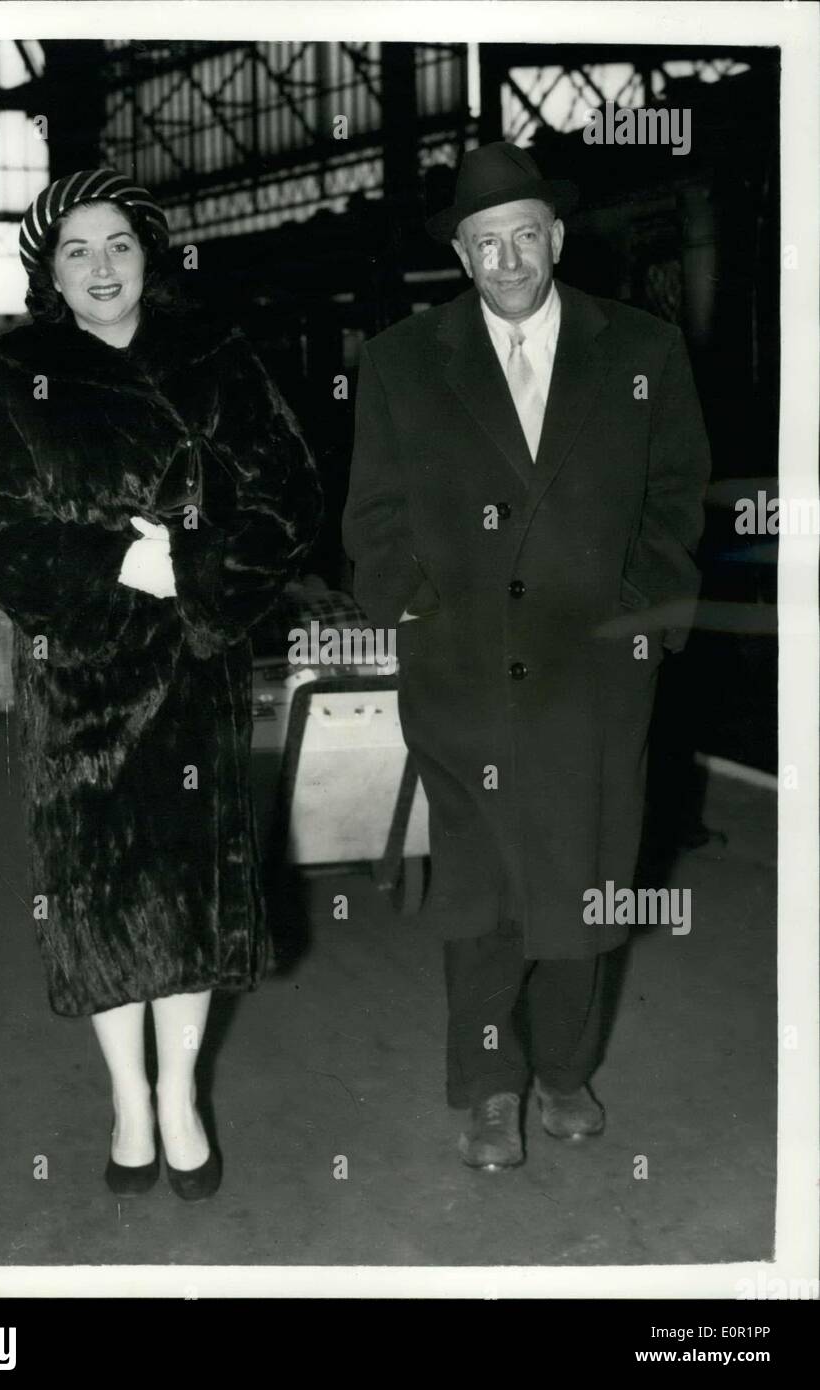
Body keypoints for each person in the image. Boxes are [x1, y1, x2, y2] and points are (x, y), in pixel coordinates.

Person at [0, 168, 322, 1200]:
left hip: (194, 669)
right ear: (48, 273)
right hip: (78, 685)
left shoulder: (217, 358)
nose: (102, 266)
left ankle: (181, 1096)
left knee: (191, 896)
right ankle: (125, 1096)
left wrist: (197, 568)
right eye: (77, 249)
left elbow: (290, 493)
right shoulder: (11, 375)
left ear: (149, 255)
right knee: (99, 898)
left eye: (119, 243)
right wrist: (113, 567)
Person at [343, 142, 710, 1169]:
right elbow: (371, 516)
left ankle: (561, 1071)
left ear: (555, 236)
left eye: (523, 235)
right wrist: (409, 607)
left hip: (592, 674)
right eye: (483, 242)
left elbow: (675, 497)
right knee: (481, 888)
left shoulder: (641, 349)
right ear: (461, 257)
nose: (507, 258)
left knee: (583, 878)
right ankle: (489, 1089)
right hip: (459, 672)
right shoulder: (402, 360)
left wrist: (644, 618)